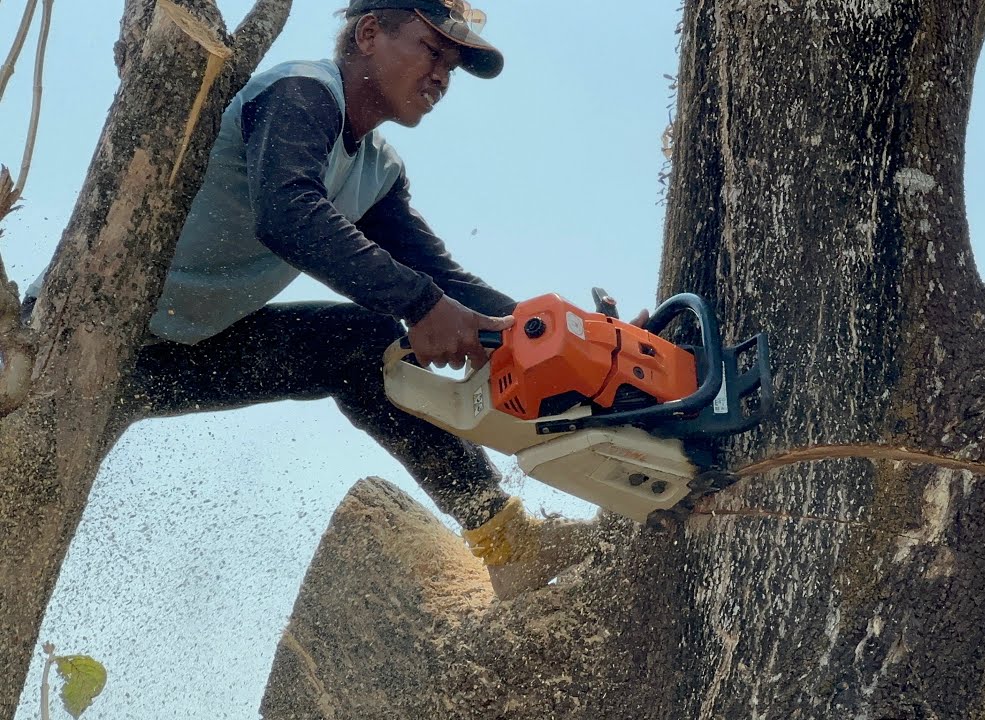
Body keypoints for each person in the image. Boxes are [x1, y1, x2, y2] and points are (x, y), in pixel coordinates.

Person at [26, 0, 591, 599]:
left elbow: (441, 277)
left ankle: (511, 546)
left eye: (450, 67)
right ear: (368, 34)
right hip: (76, 339)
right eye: (431, 52)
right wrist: (422, 305)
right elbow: (289, 215)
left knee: (362, 346)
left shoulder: (374, 168)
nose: (441, 77)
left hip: (176, 358)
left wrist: (568, 337)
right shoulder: (300, 93)